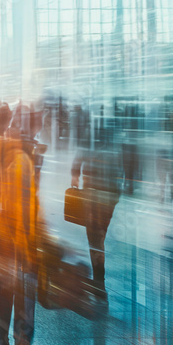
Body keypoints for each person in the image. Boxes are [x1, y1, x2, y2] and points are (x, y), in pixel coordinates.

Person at [0, 105, 46, 345]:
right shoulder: (21, 159)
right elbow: (21, 207)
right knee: (24, 303)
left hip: (0, 236)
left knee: (4, 295)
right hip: (18, 242)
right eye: (37, 124)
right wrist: (28, 248)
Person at [70, 121, 121, 299]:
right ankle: (99, 277)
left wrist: (75, 177)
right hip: (110, 195)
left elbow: (77, 162)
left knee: (94, 238)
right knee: (100, 235)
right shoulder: (116, 140)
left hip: (92, 195)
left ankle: (99, 278)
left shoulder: (89, 138)